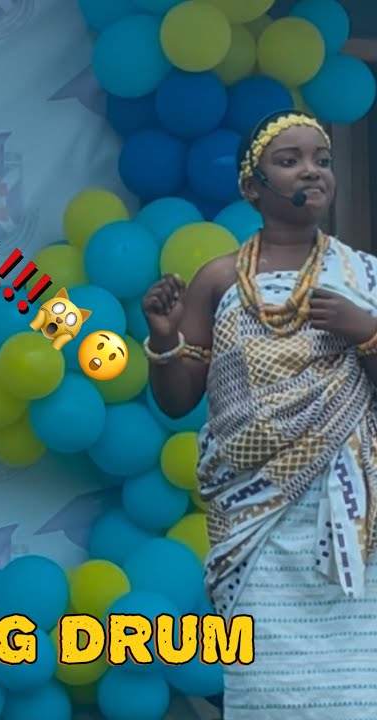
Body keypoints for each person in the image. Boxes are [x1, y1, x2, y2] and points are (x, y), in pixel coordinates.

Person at [142, 109, 377, 718]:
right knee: (270, 684)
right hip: (256, 517)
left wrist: (366, 333)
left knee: (355, 691)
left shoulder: (362, 276)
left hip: (343, 509)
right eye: (290, 159)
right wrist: (164, 341)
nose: (313, 171)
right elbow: (178, 399)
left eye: (323, 160)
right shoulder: (219, 279)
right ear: (254, 187)